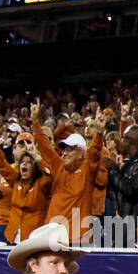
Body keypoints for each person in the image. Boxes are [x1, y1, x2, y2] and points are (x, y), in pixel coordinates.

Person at [32, 103, 104, 242]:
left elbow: (95, 152)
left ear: (81, 153)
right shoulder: (59, 166)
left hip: (77, 238)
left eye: (70, 149)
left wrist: (100, 133)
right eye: (64, 149)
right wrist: (35, 121)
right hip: (53, 236)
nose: (64, 153)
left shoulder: (87, 169)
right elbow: (45, 146)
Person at [0, 131, 51, 244]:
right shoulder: (16, 181)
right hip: (11, 236)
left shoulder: (42, 184)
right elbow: (1, 163)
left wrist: (36, 156)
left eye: (28, 162)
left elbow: (49, 174)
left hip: (32, 237)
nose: (24, 164)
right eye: (22, 162)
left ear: (35, 167)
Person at [103, 123, 138, 244]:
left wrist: (113, 171)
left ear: (130, 141)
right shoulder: (132, 163)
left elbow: (131, 189)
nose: (120, 141)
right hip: (126, 225)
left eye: (123, 138)